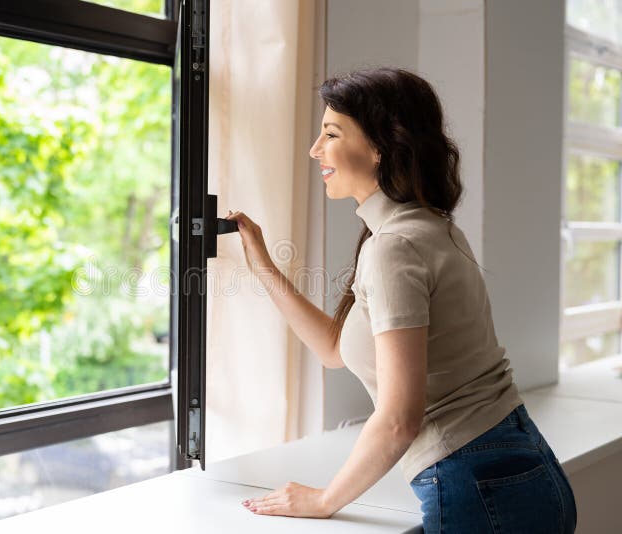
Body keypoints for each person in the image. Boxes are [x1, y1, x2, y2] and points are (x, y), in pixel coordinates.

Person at [227, 67, 577, 533]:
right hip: (516, 467)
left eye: (330, 134)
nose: (315, 149)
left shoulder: (396, 246)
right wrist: (265, 268)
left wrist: (325, 500)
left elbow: (398, 419)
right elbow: (335, 350)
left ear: (379, 148)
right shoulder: (428, 226)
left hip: (480, 486)